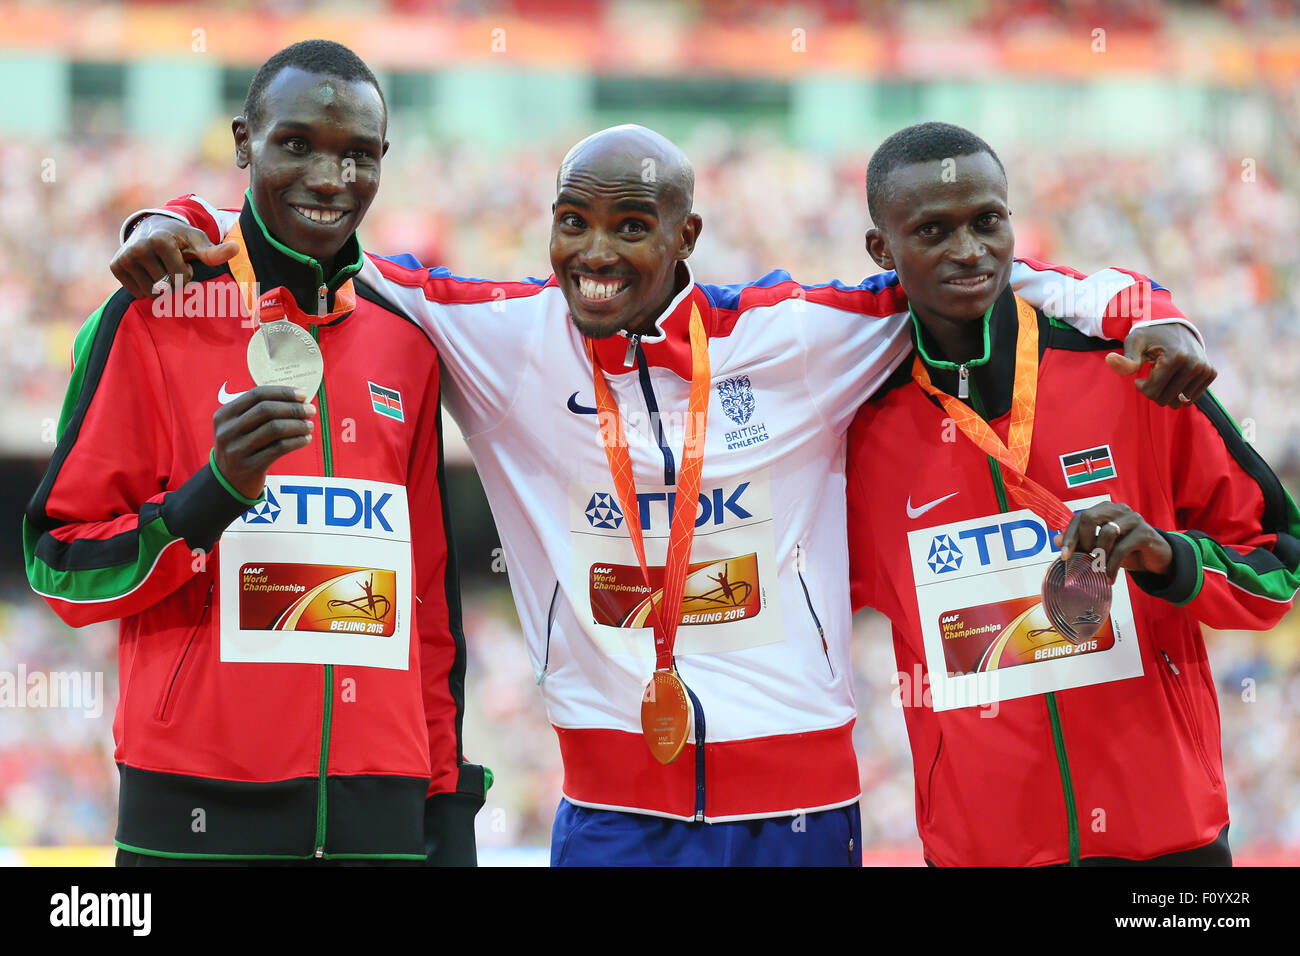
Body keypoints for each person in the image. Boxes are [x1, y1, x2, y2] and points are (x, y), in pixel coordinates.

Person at [109, 124, 1209, 866]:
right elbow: (315, 225)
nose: (594, 252)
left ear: (686, 236)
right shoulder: (495, 333)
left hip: (797, 806)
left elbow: (973, 269)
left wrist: (1150, 309)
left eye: (631, 226)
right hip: (611, 807)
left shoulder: (801, 334)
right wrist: (173, 217)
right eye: (572, 221)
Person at [24, 40, 487, 866]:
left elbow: (427, 615)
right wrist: (211, 496)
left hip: (379, 821)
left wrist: (447, 813)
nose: (329, 178)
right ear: (244, 143)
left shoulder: (407, 345)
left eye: (358, 155)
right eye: (297, 143)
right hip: (192, 815)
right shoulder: (151, 314)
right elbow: (58, 563)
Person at [846, 122, 1300, 866]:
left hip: (1170, 846)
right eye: (933, 229)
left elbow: (1282, 565)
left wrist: (1172, 559)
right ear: (881, 249)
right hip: (982, 852)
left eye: (987, 221)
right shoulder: (857, 424)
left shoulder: (1134, 367)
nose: (969, 250)